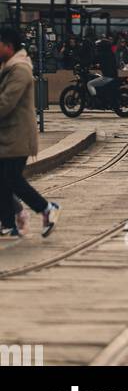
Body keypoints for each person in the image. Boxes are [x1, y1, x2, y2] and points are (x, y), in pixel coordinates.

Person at [0, 25, 59, 239]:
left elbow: (6, 103)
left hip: (18, 136)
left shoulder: (20, 70)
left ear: (8, 46)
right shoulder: (7, 67)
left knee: (13, 179)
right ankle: (7, 224)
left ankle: (45, 208)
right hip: (7, 136)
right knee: (3, 181)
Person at [87, 33, 120, 100]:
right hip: (114, 76)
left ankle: (95, 100)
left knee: (89, 84)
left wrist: (88, 64)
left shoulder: (101, 54)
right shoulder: (111, 53)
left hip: (107, 77)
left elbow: (93, 61)